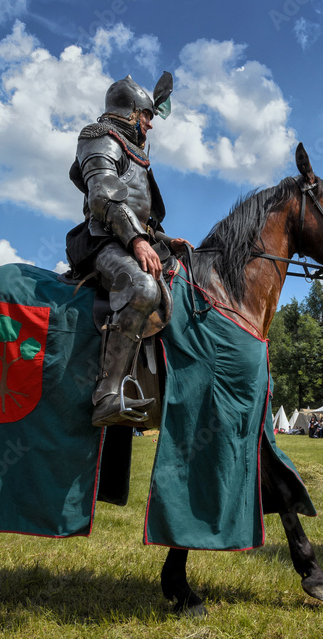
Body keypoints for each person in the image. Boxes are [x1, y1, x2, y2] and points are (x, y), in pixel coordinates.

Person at [66, 73, 191, 427]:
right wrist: (137, 241)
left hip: (131, 238)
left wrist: (165, 242)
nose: (150, 124)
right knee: (142, 287)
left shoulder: (135, 153)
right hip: (102, 240)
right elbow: (104, 196)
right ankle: (107, 393)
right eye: (147, 116)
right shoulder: (98, 137)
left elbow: (142, 218)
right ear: (131, 110)